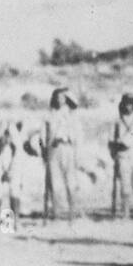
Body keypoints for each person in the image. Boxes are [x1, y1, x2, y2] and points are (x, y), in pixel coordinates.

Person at [109, 93, 133, 220]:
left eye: (131, 103)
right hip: (122, 155)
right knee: (125, 186)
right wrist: (114, 154)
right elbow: (111, 140)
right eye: (126, 103)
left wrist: (130, 142)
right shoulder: (117, 120)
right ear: (122, 104)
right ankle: (126, 215)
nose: (128, 106)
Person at [45, 87, 79, 221]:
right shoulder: (49, 115)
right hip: (54, 149)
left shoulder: (71, 114)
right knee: (54, 183)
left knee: (70, 182)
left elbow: (77, 133)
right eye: (57, 97)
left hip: (68, 148)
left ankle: (72, 214)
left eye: (63, 97)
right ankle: (56, 214)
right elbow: (44, 134)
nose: (60, 100)